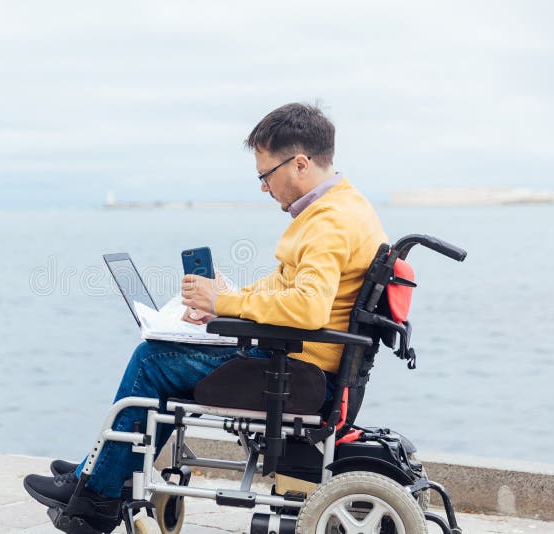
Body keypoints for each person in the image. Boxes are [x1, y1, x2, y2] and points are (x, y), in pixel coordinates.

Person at [23, 102, 388, 533]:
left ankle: (98, 495)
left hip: (300, 374)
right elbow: (288, 289)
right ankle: (96, 472)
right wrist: (227, 298)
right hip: (302, 361)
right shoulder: (346, 208)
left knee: (152, 359)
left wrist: (226, 307)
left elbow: (307, 307)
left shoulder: (329, 223)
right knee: (163, 353)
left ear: (301, 164)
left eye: (266, 174)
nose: (264, 188)